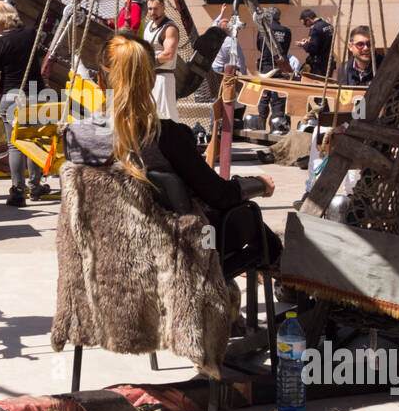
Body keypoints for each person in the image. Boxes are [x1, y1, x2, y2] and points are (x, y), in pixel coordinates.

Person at [68, 33, 281, 279]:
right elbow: (219, 195)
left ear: (100, 80)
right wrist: (257, 184)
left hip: (107, 253)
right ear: (150, 80)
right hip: (176, 253)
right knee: (248, 217)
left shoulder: (77, 138)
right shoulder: (168, 135)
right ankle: (292, 281)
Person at [0, 0, 47, 205]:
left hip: (11, 97)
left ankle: (18, 191)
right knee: (33, 140)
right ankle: (35, 187)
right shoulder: (30, 34)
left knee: (15, 145)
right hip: (35, 95)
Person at [255, 7, 293, 133]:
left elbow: (259, 47)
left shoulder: (262, 30)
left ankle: (261, 126)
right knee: (278, 98)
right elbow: (286, 49)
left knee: (264, 96)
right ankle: (277, 128)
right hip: (280, 67)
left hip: (265, 66)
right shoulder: (286, 31)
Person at [143, 0, 180, 121]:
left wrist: (147, 62)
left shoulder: (170, 28)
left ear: (163, 8)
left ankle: (174, 140)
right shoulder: (148, 26)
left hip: (163, 78)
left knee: (166, 115)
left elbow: (169, 54)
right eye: (150, 9)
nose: (152, 12)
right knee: (149, 115)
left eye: (155, 8)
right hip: (150, 77)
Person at [298, 8, 334, 78]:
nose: (306, 26)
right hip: (328, 61)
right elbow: (322, 40)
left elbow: (312, 48)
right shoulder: (328, 25)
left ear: (308, 19)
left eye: (305, 24)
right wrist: (310, 41)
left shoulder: (315, 28)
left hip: (319, 64)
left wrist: (303, 44)